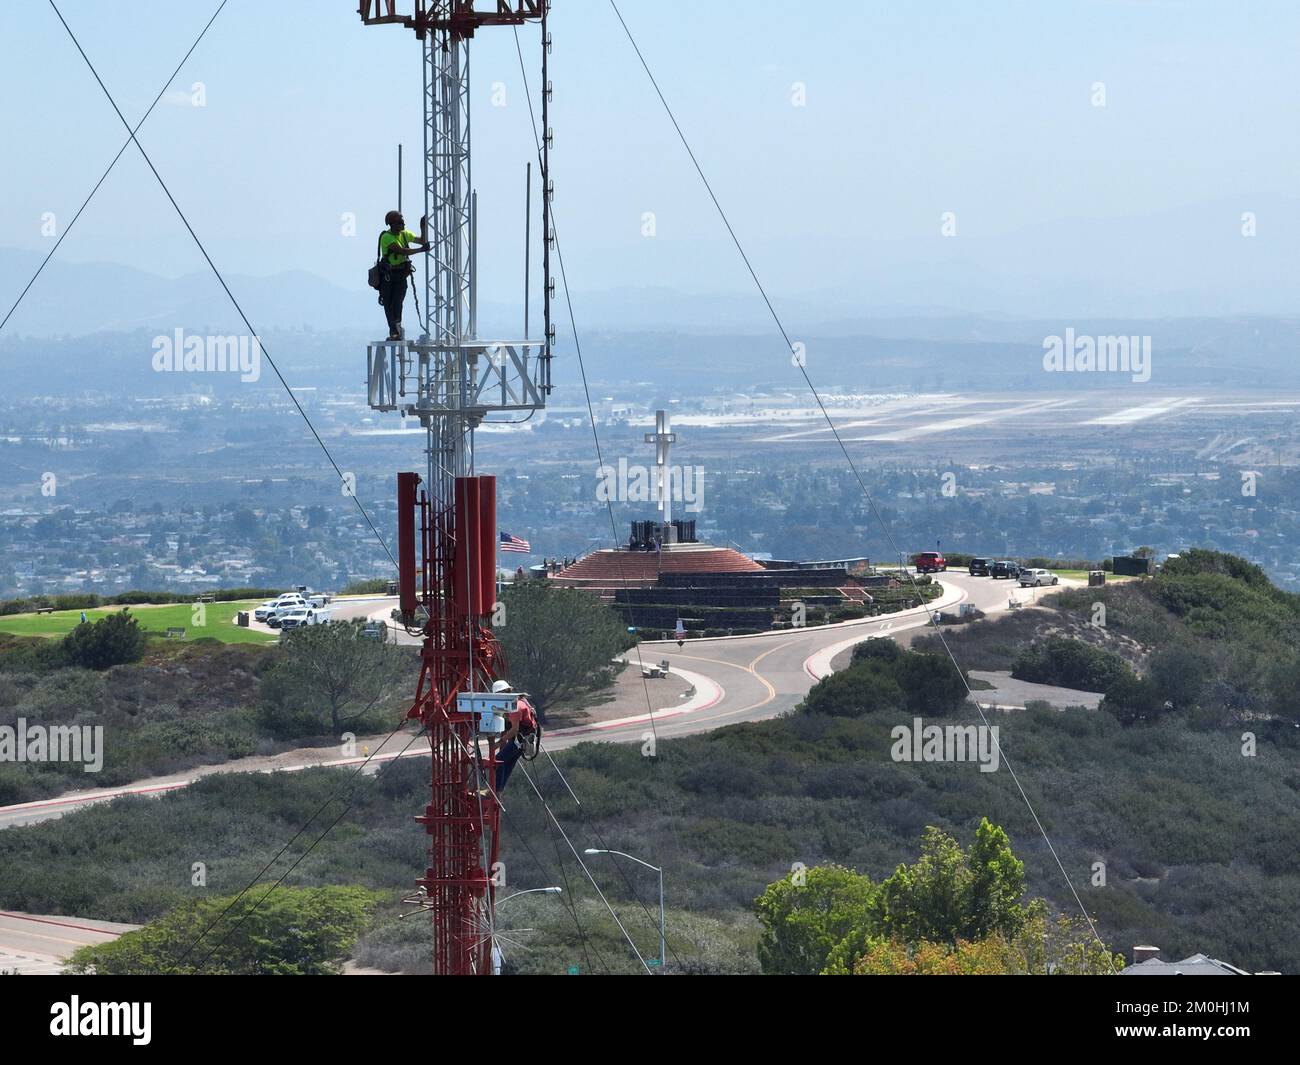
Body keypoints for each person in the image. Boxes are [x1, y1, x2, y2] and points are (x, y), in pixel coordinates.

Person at [378, 210, 431, 341]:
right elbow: (401, 251)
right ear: (392, 224)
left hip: (401, 274)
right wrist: (421, 250)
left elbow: (422, 240)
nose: (403, 224)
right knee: (389, 304)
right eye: (400, 222)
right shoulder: (386, 237)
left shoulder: (404, 234)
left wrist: (422, 227)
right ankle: (394, 331)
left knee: (398, 302)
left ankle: (397, 328)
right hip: (388, 275)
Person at [491, 679, 538, 793]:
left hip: (520, 740)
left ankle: (495, 789)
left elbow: (514, 729)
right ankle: (498, 790)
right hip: (522, 740)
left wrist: (499, 743)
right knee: (507, 763)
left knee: (499, 760)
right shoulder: (520, 701)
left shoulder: (515, 706)